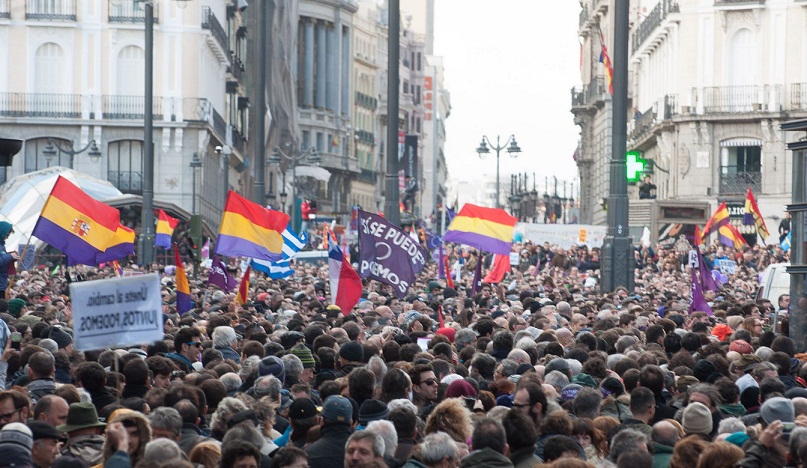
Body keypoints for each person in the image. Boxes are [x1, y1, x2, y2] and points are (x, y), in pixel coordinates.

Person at [0, 222, 19, 299]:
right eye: (7, 235)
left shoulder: (2, 246)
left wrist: (12, 258)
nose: (7, 237)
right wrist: (10, 256)